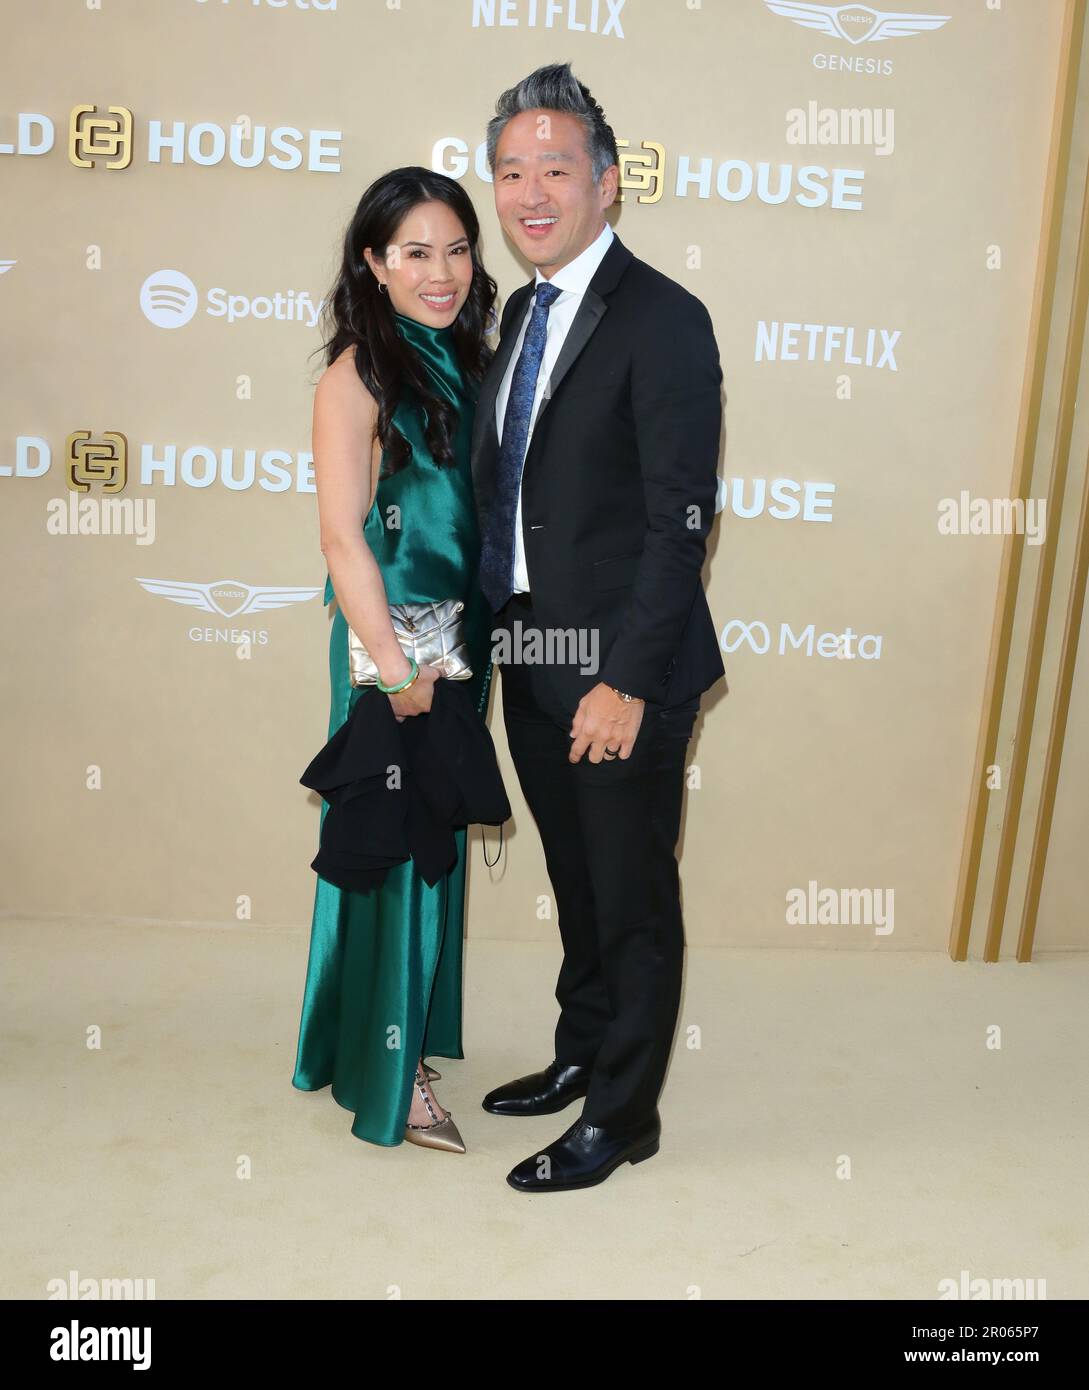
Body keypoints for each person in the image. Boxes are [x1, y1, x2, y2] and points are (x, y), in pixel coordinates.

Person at [471, 63, 727, 1191]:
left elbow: (680, 524)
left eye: (555, 168)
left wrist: (624, 680)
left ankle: (623, 1116)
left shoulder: (665, 318)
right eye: (511, 170)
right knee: (576, 879)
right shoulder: (517, 312)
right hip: (530, 650)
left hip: (621, 664)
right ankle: (582, 1051)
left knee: (631, 898)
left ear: (607, 184)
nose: (530, 190)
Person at [292, 167, 499, 1153]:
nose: (442, 270)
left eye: (456, 247)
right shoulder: (356, 376)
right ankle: (393, 1075)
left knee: (431, 838)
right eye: (416, 251)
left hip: (459, 641)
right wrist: (390, 663)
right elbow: (344, 537)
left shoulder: (464, 359)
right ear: (373, 264)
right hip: (400, 643)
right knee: (399, 843)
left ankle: (383, 1029)